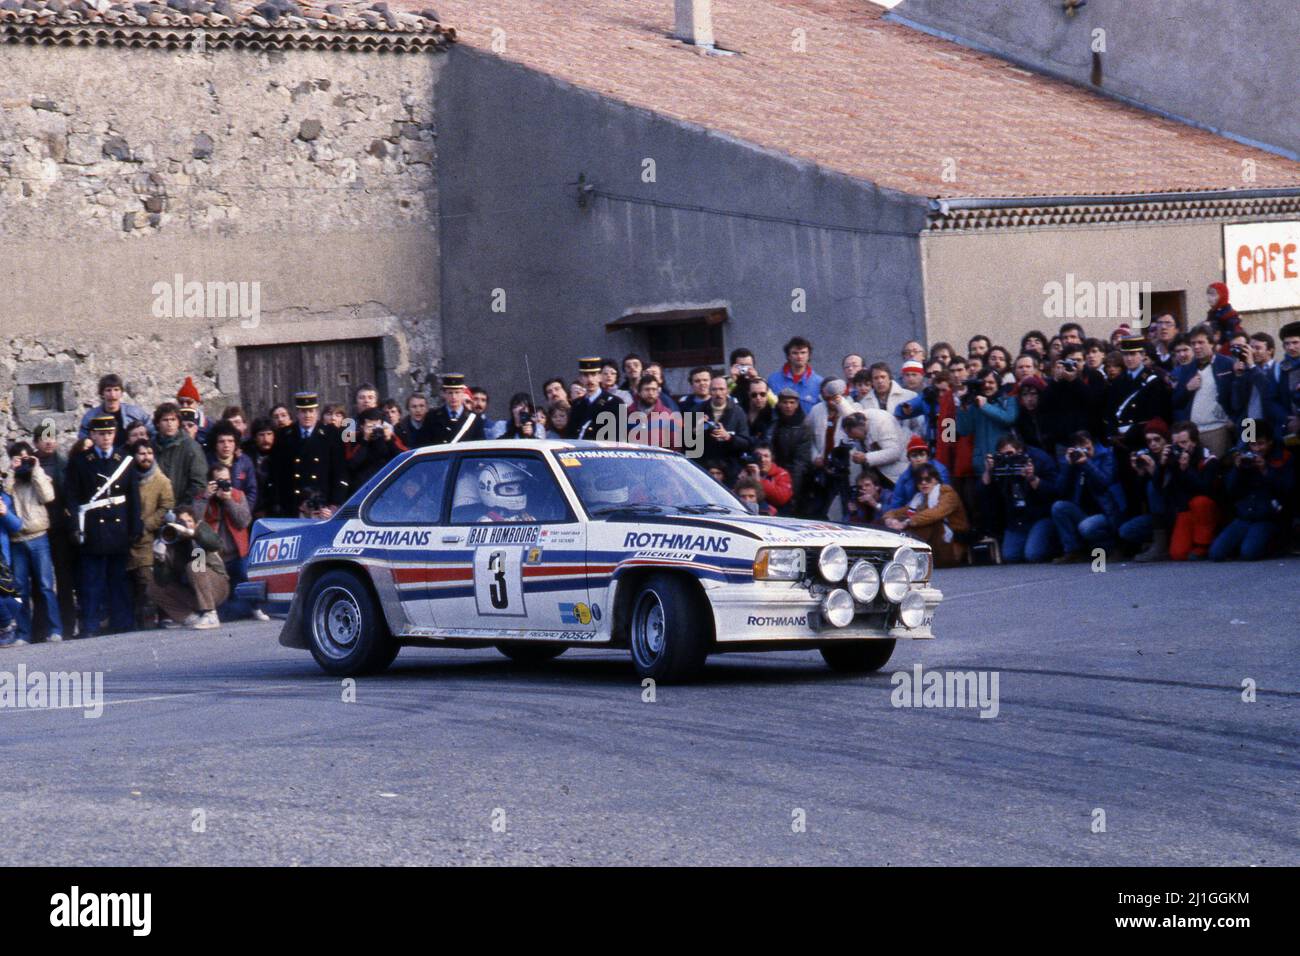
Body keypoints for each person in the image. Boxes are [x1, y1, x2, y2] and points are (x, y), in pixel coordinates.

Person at [66, 414, 140, 636]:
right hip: (93, 528)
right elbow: (71, 497)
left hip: (118, 528)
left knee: (119, 579)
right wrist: (74, 527)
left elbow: (133, 497)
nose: (106, 437)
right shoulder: (80, 461)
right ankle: (90, 624)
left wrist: (135, 526)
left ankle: (123, 622)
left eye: (109, 433)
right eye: (101, 434)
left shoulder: (124, 459)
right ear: (92, 435)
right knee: (92, 581)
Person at [3, 442, 62, 643]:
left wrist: (35, 469)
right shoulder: (10, 480)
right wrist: (12, 470)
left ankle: (55, 629)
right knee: (20, 589)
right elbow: (6, 495)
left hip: (38, 536)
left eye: (26, 458)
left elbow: (48, 496)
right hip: (17, 539)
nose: (23, 463)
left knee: (46, 585)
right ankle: (23, 633)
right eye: (19, 459)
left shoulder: (39, 475)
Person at [1209, 423, 1294, 561]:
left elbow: (1287, 489)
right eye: (1253, 444)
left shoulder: (1283, 457)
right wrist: (1237, 469)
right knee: (1216, 554)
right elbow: (1230, 489)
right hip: (1244, 516)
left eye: (1261, 444)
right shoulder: (1244, 457)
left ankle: (1272, 543)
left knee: (1249, 553)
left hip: (1268, 517)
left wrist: (1265, 470)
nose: (1257, 449)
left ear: (1270, 442)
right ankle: (1244, 542)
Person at [268, 391, 349, 517]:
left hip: (322, 506)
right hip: (293, 506)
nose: (307, 415)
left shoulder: (331, 434)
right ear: (297, 413)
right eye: (303, 411)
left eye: (311, 411)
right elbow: (277, 473)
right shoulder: (285, 435)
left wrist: (334, 504)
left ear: (317, 412)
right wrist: (278, 504)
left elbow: (340, 472)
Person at [979, 434, 1058, 563]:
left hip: (1041, 514)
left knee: (1033, 555)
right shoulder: (1002, 463)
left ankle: (1052, 545)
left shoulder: (1039, 459)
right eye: (1003, 455)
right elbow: (984, 492)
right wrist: (988, 471)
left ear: (1020, 450)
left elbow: (1055, 491)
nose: (1007, 458)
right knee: (1010, 556)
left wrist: (1032, 478)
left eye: (1010, 454)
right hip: (1017, 518)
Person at [147, 505, 228, 629]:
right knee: (153, 586)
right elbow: (162, 581)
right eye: (181, 522)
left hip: (217, 587)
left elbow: (215, 544)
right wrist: (160, 560)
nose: (185, 524)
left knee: (194, 565)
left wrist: (193, 533)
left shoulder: (201, 528)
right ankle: (189, 618)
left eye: (189, 521)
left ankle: (210, 615)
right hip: (191, 593)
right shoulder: (170, 539)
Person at [1050, 431, 1126, 563]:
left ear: (1093, 443)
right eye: (1078, 446)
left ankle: (1113, 548)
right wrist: (1067, 466)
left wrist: (1088, 463)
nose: (1083, 449)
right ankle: (1073, 551)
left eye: (1085, 445)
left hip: (1107, 511)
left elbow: (1105, 482)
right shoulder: (1074, 462)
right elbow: (1059, 490)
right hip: (1083, 510)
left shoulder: (1106, 455)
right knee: (1058, 507)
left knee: (1086, 527)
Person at [195, 463, 258, 621]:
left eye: (227, 480)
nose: (224, 485)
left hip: (237, 555)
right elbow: (195, 520)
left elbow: (244, 521)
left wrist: (229, 501)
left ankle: (246, 609)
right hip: (214, 557)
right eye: (219, 481)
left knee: (246, 585)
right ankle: (225, 611)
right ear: (211, 483)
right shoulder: (202, 497)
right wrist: (205, 498)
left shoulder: (238, 495)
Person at [125, 438, 174, 629]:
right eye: (142, 453)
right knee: (131, 582)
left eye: (149, 453)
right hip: (128, 538)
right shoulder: (128, 479)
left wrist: (146, 525)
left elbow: (167, 506)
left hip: (149, 536)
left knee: (147, 579)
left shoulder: (161, 481)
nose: (146, 457)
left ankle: (153, 617)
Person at [882, 464, 970, 567]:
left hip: (951, 544)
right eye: (919, 480)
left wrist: (907, 522)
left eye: (928, 479)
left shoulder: (947, 492)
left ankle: (903, 554)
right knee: (905, 521)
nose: (923, 483)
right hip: (933, 545)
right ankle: (901, 554)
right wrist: (889, 519)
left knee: (930, 522)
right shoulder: (920, 498)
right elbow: (899, 512)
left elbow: (935, 513)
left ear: (936, 479)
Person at [1171, 326, 1235, 458]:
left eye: (1201, 342)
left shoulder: (1227, 364)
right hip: (1192, 432)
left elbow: (1238, 396)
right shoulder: (1187, 368)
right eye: (1193, 343)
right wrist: (1187, 389)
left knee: (1218, 469)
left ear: (1211, 343)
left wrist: (1233, 419)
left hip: (1218, 429)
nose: (1196, 347)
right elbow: (1176, 402)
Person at [697, 375, 751, 481]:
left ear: (727, 391)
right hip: (704, 470)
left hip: (730, 471)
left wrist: (728, 437)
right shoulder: (696, 410)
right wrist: (696, 430)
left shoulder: (738, 412)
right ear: (709, 391)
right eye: (714, 389)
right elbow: (687, 445)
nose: (718, 393)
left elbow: (746, 443)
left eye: (721, 389)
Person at [153, 402, 207, 507]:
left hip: (182, 509)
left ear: (178, 422)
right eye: (165, 420)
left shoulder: (191, 447)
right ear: (158, 423)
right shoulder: (151, 446)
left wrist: (183, 507)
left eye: (173, 420)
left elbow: (199, 484)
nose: (170, 424)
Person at [77, 373, 152, 445]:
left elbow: (151, 431)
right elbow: (83, 440)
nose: (112, 395)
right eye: (108, 390)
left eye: (116, 390)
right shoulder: (91, 416)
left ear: (121, 393)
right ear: (102, 393)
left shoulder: (135, 412)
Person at [770, 388, 811, 513]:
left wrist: (791, 490)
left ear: (797, 404)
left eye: (792, 403)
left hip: (794, 479)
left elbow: (800, 463)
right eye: (785, 402)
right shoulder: (773, 422)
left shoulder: (803, 427)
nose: (788, 406)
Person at [206, 420, 258, 514]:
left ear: (235, 443)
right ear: (215, 444)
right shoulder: (206, 462)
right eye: (221, 441)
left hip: (238, 514)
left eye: (230, 441)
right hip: (213, 515)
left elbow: (251, 491)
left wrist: (244, 513)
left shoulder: (245, 462)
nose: (226, 445)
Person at [888, 435, 951, 510]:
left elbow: (946, 497)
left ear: (927, 456)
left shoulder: (940, 471)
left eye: (922, 455)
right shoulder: (904, 478)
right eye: (914, 456)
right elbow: (897, 502)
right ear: (909, 459)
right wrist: (892, 517)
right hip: (911, 511)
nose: (919, 459)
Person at [567, 358, 624, 440]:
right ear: (580, 378)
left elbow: (619, 438)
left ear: (600, 377)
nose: (590, 379)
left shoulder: (616, 403)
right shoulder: (576, 404)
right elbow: (570, 435)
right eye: (586, 375)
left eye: (593, 375)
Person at [346, 408, 403, 489]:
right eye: (370, 426)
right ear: (362, 426)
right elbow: (352, 464)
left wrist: (389, 440)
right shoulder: (354, 438)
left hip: (386, 483)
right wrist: (365, 440)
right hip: (361, 485)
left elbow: (401, 457)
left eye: (377, 426)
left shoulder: (388, 436)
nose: (374, 429)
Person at [766, 336, 823, 413]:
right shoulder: (773, 380)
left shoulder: (819, 383)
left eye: (803, 352)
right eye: (795, 353)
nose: (799, 356)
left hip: (807, 425)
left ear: (809, 355)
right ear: (788, 356)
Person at [740, 444, 793, 514]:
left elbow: (781, 499)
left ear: (772, 458)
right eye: (758, 456)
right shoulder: (747, 471)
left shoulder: (781, 474)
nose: (762, 460)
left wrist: (759, 481)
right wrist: (740, 481)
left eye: (766, 456)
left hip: (775, 514)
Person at [1205, 281, 1243, 349]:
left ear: (1222, 295)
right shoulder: (1212, 313)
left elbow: (1231, 337)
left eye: (1213, 294)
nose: (1209, 298)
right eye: (1208, 294)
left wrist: (1220, 345)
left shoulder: (1230, 315)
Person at [175, 376, 209, 445]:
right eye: (181, 402)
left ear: (197, 403)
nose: (184, 406)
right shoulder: (174, 421)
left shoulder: (207, 424)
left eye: (189, 402)